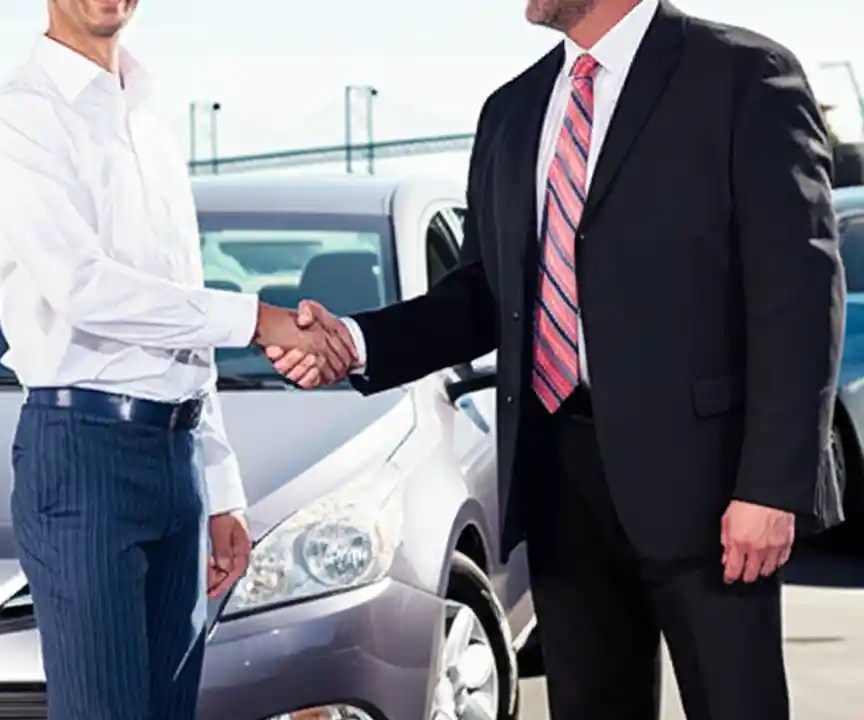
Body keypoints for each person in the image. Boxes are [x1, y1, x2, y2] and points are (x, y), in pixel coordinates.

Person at [266, 0, 843, 718]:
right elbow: (484, 293)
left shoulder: (743, 77)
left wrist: (771, 487)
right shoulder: (512, 111)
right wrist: (357, 341)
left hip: (711, 487)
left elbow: (796, 296)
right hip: (558, 478)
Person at [0, 2, 354, 719]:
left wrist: (219, 479)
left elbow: (180, 304)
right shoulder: (15, 116)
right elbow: (83, 286)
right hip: (83, 459)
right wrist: (262, 320)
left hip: (178, 458)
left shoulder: (148, 118)